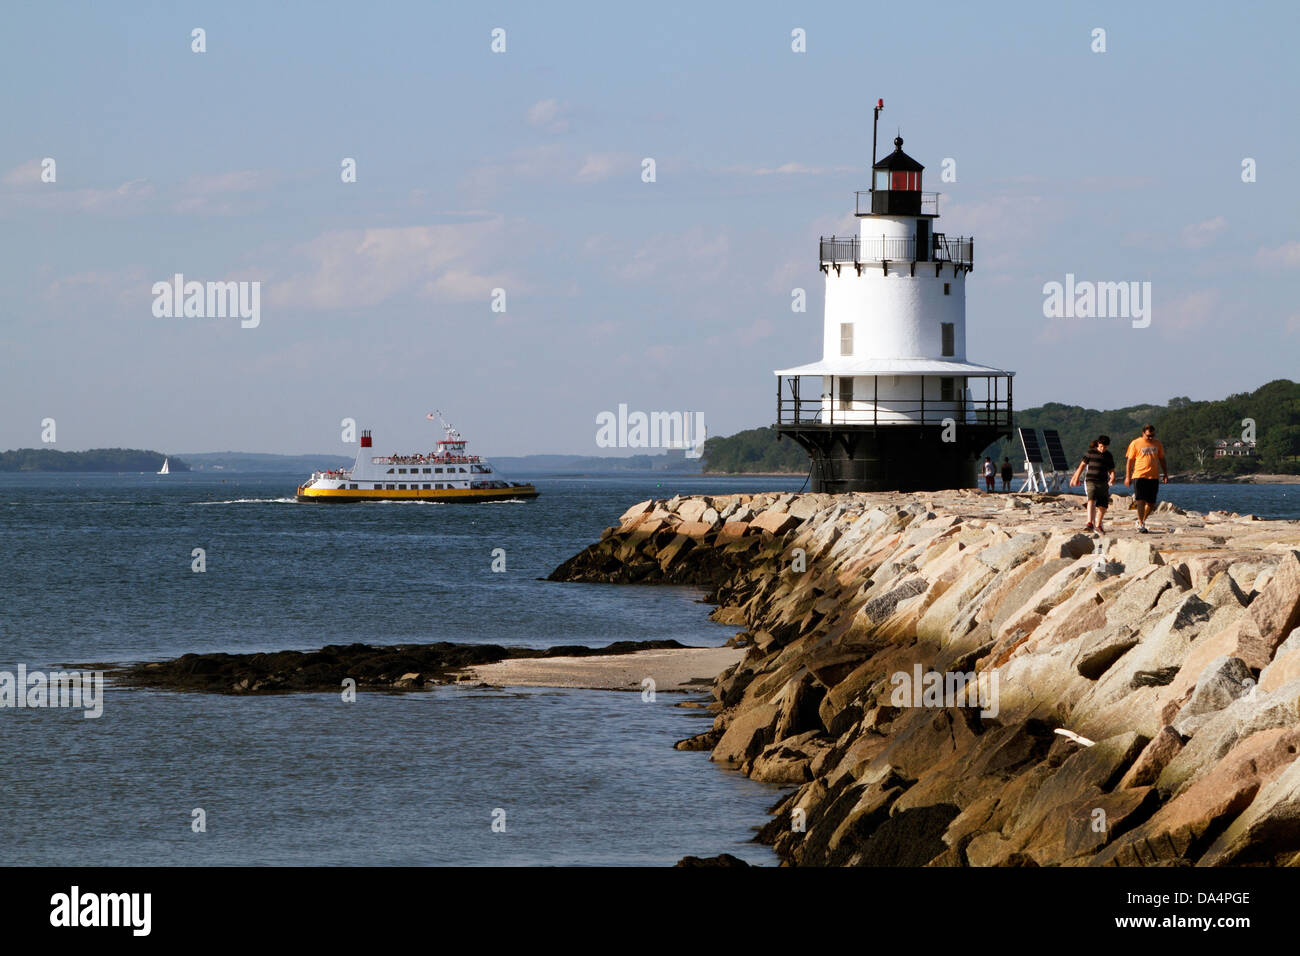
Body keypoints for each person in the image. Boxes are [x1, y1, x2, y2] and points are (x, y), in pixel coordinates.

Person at [1123, 423, 1168, 533]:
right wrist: (1127, 477)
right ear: (1143, 433)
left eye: (1152, 435)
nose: (1151, 438)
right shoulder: (1135, 443)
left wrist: (1165, 473)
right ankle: (1140, 523)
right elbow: (1129, 461)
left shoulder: (1157, 444)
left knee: (1151, 503)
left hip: (1153, 476)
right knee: (1140, 500)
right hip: (1139, 475)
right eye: (1148, 436)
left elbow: (1162, 459)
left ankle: (1141, 521)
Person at [1070, 435, 1116, 533]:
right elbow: (1082, 466)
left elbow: (1111, 469)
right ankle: (1089, 523)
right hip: (1091, 480)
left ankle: (1098, 525)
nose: (1103, 449)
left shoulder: (1108, 455)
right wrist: (1076, 477)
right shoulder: (1090, 453)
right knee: (1091, 500)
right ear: (1098, 444)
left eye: (1105, 447)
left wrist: (1112, 477)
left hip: (1103, 482)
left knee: (1103, 506)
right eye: (1101, 446)